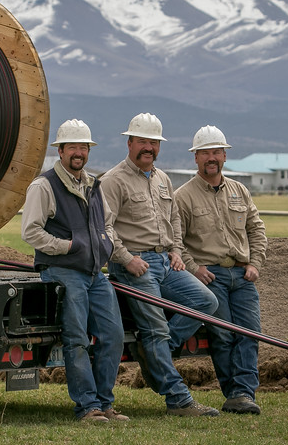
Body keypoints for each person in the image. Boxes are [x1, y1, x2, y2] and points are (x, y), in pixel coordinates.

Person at [100, 113, 220, 417]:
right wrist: (127, 259)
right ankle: (178, 400)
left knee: (205, 301)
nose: (148, 147)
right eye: (142, 141)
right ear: (129, 143)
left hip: (166, 262)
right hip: (134, 266)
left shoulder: (162, 179)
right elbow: (103, 228)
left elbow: (174, 220)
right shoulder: (112, 181)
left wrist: (177, 250)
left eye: (153, 142)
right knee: (154, 328)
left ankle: (155, 351)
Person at [21, 119, 129, 423]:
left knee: (113, 336)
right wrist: (66, 247)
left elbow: (107, 222)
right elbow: (30, 232)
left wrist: (104, 243)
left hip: (95, 273)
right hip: (63, 272)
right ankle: (87, 407)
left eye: (84, 147)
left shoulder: (94, 184)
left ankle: (105, 403)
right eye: (73, 147)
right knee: (77, 338)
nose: (79, 152)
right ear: (61, 150)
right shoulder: (44, 185)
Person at [175, 125, 267, 415]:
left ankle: (244, 392)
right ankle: (234, 394)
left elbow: (256, 229)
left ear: (225, 155)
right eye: (205, 153)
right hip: (210, 276)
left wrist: (255, 263)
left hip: (242, 275)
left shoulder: (239, 191)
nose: (211, 157)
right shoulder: (183, 197)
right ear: (196, 158)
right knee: (224, 335)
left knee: (250, 333)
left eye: (216, 151)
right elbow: (175, 242)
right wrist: (193, 269)